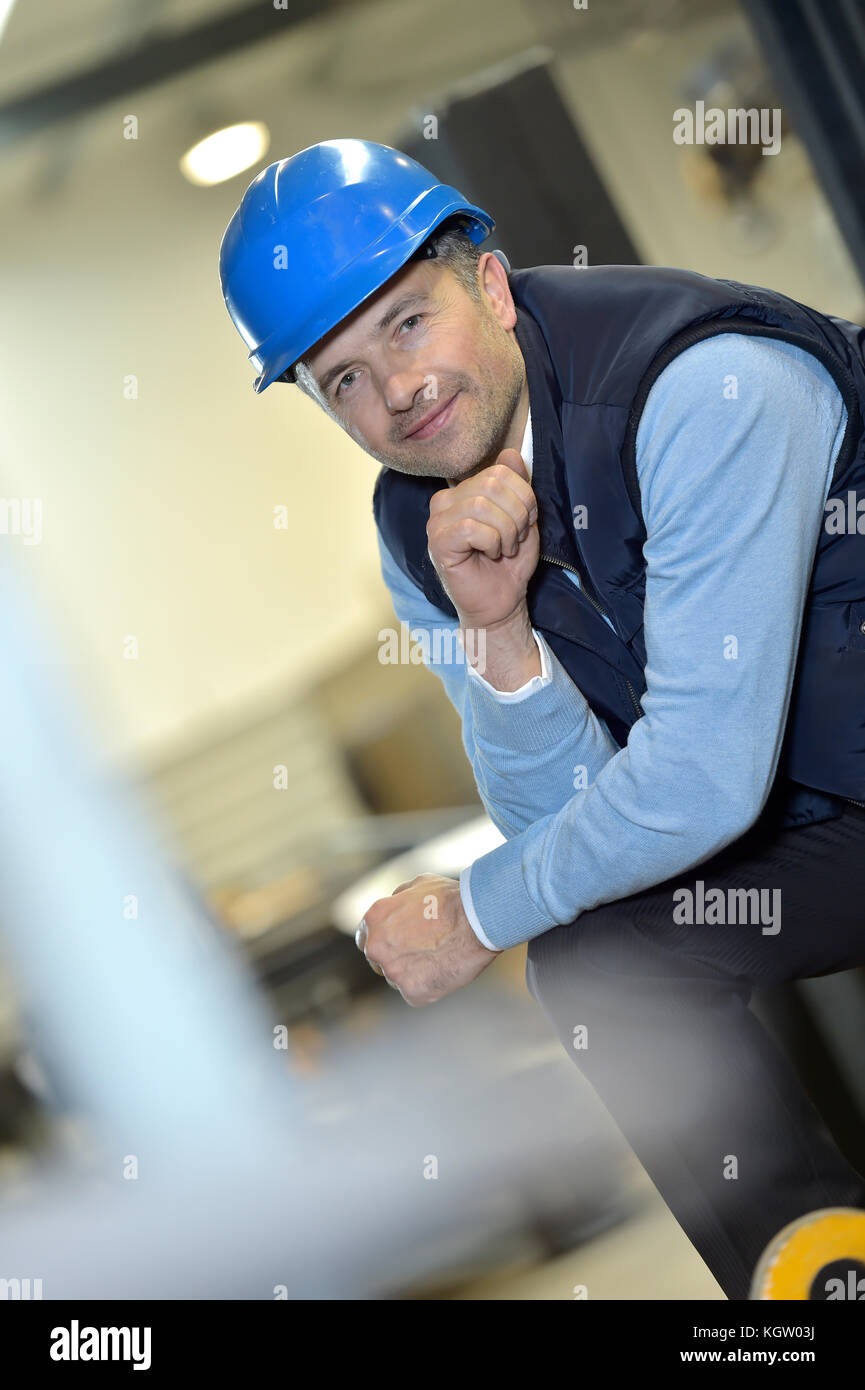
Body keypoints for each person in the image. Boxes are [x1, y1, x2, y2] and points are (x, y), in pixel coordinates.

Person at [219, 139, 865, 1300]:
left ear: (495, 286)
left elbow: (701, 779)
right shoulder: (417, 534)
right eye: (344, 379)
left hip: (808, 791)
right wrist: (500, 635)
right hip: (830, 816)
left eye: (407, 325)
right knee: (601, 960)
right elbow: (561, 831)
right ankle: (813, 1285)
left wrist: (473, 914)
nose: (396, 393)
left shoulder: (702, 388)